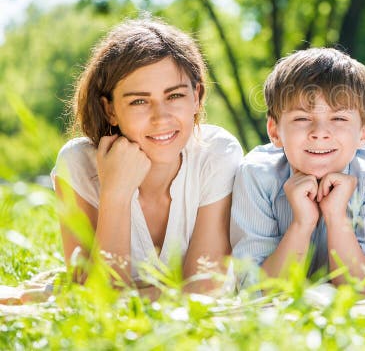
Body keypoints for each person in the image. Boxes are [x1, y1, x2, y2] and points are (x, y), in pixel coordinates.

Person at [52, 18, 243, 295]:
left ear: (197, 97)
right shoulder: (77, 164)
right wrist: (115, 195)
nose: (161, 118)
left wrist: (124, 295)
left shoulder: (217, 154)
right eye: (139, 101)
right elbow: (97, 303)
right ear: (110, 110)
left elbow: (202, 293)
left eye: (175, 95)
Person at [230, 48, 365, 290]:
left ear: (364, 132)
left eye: (339, 119)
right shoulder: (256, 174)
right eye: (302, 118)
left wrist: (336, 218)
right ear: (274, 131)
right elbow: (257, 290)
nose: (320, 132)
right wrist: (302, 223)